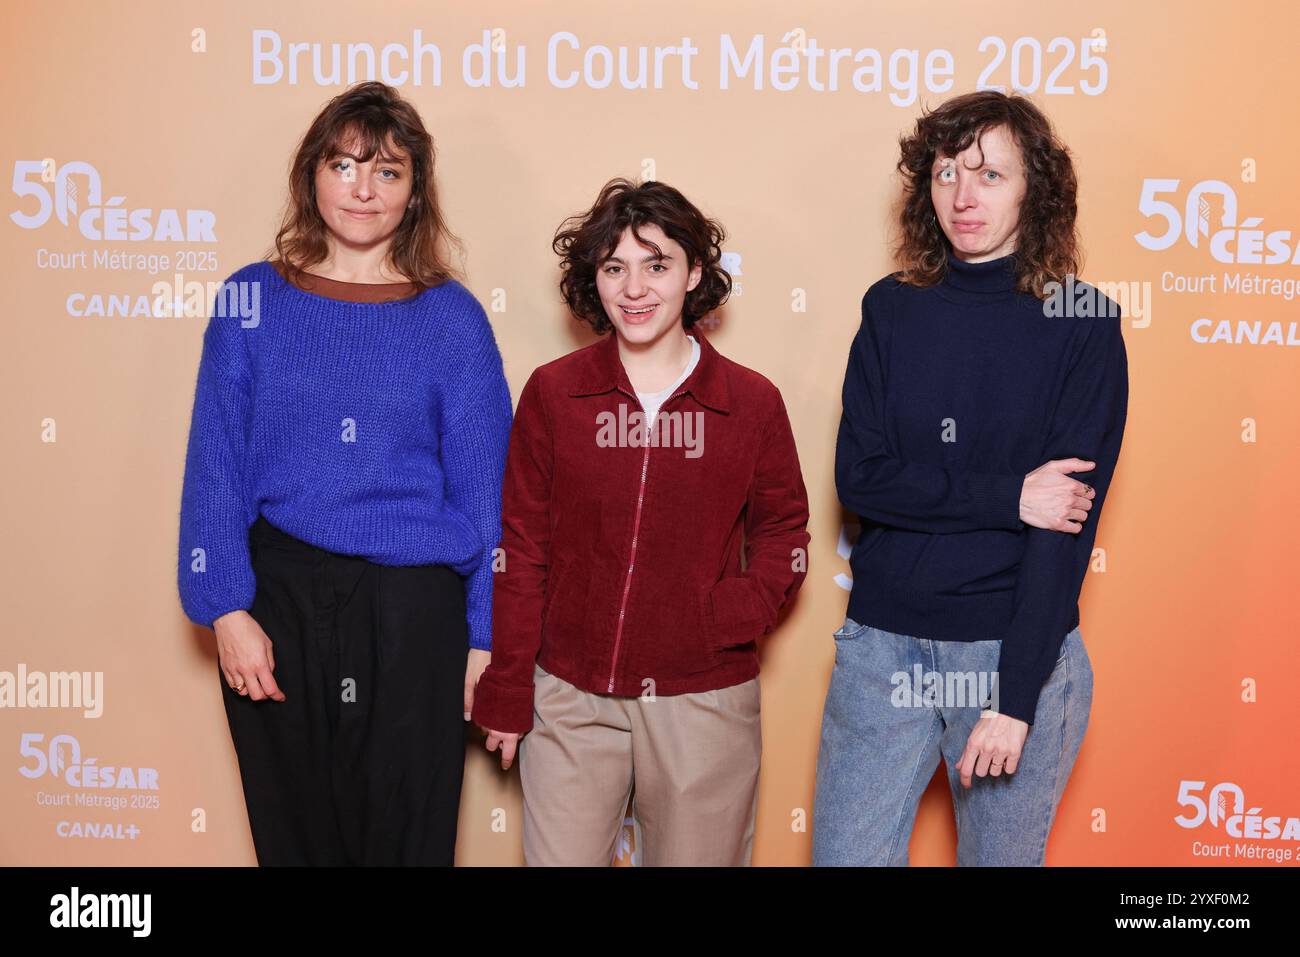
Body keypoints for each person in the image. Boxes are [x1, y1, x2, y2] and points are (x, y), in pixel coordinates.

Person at [177, 81, 512, 865]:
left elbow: (487, 488)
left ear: (414, 192)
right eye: (344, 164)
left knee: (405, 836)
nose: (363, 188)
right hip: (279, 602)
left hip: (413, 611)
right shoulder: (250, 301)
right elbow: (214, 462)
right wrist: (225, 606)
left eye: (387, 171)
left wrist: (487, 638)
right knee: (294, 835)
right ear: (311, 176)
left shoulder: (450, 317)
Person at [813, 91, 1129, 866]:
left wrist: (1016, 698)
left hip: (1011, 651)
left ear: (1035, 189)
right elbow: (862, 478)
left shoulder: (1082, 321)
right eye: (947, 171)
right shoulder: (892, 309)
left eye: (990, 174)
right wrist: (1009, 495)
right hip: (882, 647)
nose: (963, 195)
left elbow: (1064, 531)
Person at [470, 178, 811, 866]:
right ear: (592, 280)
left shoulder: (750, 402)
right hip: (568, 694)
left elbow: (785, 535)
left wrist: (726, 617)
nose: (635, 288)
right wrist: (508, 685)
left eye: (657, 264)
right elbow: (523, 547)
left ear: (693, 273)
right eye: (614, 266)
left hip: (704, 698)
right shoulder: (555, 392)